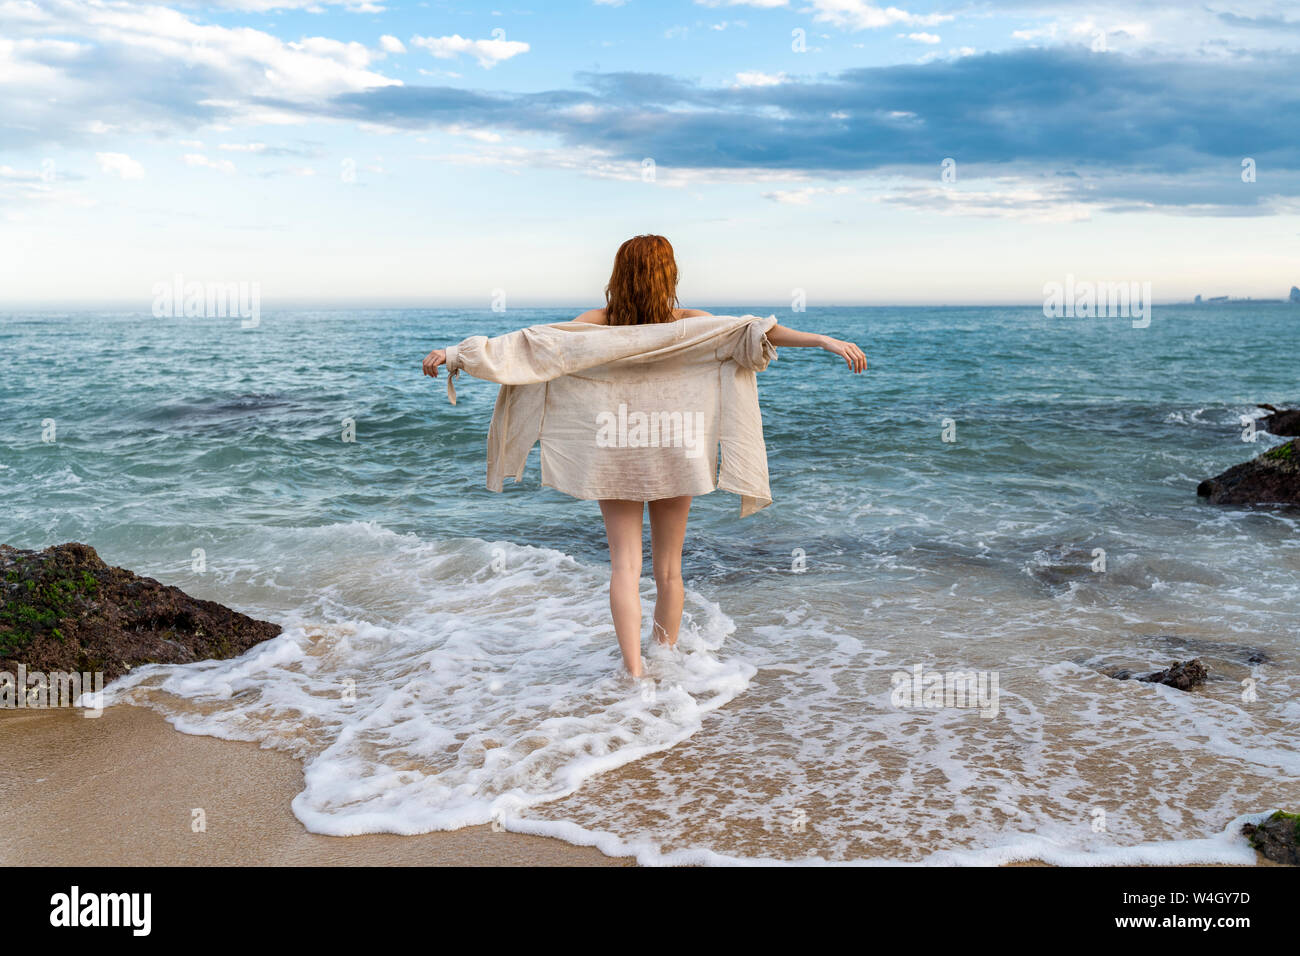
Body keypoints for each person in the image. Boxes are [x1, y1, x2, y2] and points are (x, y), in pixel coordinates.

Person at [422, 235, 865, 678]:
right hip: (678, 449)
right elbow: (758, 330)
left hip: (613, 449)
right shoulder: (694, 323)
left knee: (624, 566)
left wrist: (455, 355)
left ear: (619, 273)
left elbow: (530, 348)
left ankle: (633, 671)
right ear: (669, 273)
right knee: (669, 570)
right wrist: (823, 340)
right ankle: (664, 659)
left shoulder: (595, 323)